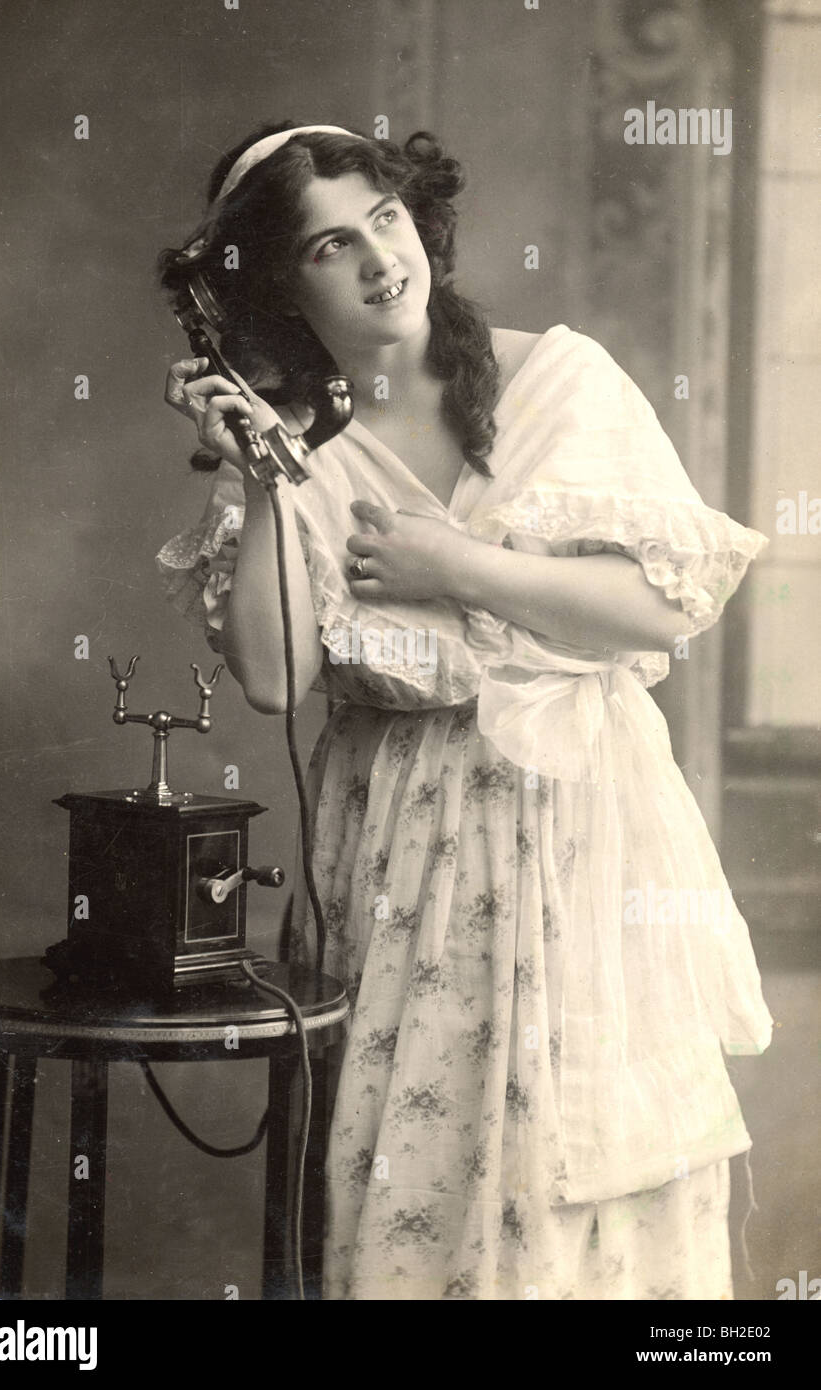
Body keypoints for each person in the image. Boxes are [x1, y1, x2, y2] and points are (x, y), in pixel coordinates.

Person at [156, 122, 773, 1301]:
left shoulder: (561, 378)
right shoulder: (291, 443)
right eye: (331, 246)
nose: (381, 260)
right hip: (399, 854)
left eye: (384, 218)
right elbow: (278, 678)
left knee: (586, 1181)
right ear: (281, 286)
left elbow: (661, 610)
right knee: (414, 1191)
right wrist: (255, 468)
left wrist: (461, 570)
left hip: (583, 832)